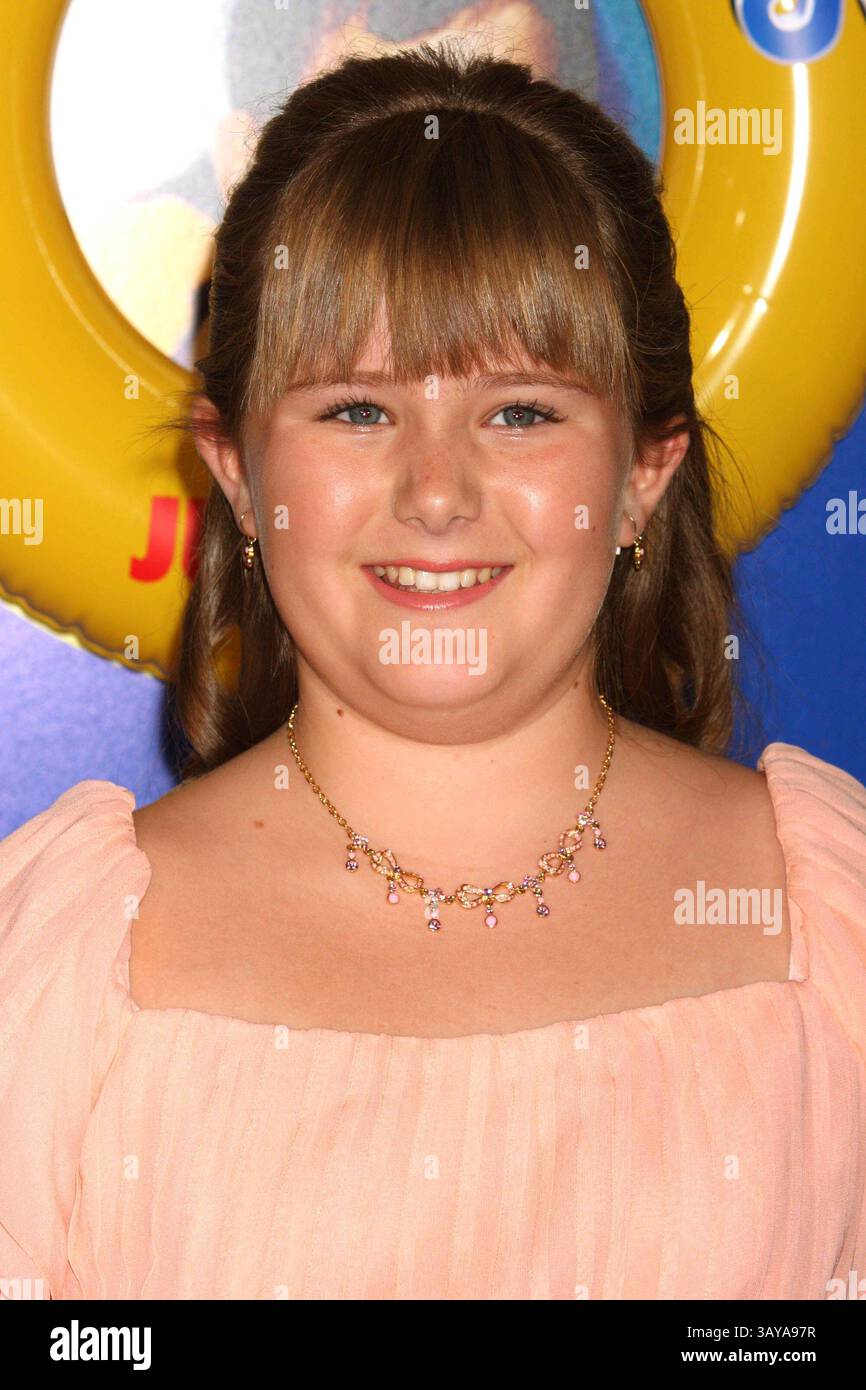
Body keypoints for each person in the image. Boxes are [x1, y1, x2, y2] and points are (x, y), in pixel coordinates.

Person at [1, 42, 864, 1302]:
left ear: (642, 473)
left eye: (520, 411)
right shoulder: (53, 970)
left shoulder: (833, 929)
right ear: (236, 470)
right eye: (356, 408)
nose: (437, 493)